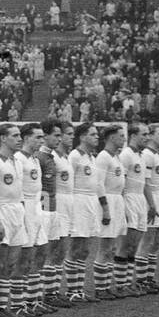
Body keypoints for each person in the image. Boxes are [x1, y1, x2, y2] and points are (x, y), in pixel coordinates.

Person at [0, 123, 28, 317]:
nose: (20, 139)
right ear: (3, 138)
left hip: (17, 212)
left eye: (20, 136)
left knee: (11, 264)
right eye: (15, 136)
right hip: (1, 213)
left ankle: (3, 306)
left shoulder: (17, 161)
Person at [16, 123, 55, 315]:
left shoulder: (34, 160)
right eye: (38, 137)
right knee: (24, 257)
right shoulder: (18, 159)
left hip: (37, 209)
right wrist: (23, 216)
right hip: (25, 210)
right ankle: (18, 303)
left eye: (42, 137)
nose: (42, 140)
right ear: (25, 138)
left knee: (39, 254)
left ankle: (33, 299)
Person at [116, 123, 157, 298]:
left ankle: (128, 283)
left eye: (148, 134)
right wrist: (123, 206)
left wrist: (151, 205)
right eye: (144, 134)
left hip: (140, 200)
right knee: (125, 245)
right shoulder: (126, 155)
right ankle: (120, 285)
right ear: (133, 135)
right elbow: (121, 183)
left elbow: (145, 184)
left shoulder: (140, 156)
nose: (147, 137)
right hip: (129, 199)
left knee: (134, 246)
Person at [64, 122, 103, 304]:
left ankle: (79, 290)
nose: (97, 137)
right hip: (78, 202)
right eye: (93, 134)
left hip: (91, 203)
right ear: (82, 137)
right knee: (76, 247)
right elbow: (68, 184)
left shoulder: (92, 158)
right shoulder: (74, 156)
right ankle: (72, 290)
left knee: (85, 249)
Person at [40, 121, 75, 309]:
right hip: (55, 205)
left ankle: (53, 291)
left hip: (66, 206)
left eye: (65, 134)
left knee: (61, 251)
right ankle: (48, 292)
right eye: (60, 134)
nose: (63, 138)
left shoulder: (65, 157)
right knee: (53, 250)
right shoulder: (50, 156)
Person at [93, 125, 128, 301]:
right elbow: (98, 184)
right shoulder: (103, 157)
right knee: (105, 246)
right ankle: (100, 288)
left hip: (117, 201)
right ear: (111, 138)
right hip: (108, 201)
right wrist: (105, 208)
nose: (124, 138)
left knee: (112, 246)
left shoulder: (117, 157)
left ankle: (106, 286)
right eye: (121, 136)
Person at [137, 123, 159, 293]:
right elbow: (145, 183)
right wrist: (151, 204)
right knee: (147, 240)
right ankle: (140, 281)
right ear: (150, 135)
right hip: (153, 199)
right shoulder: (147, 155)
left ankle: (149, 279)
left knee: (156, 242)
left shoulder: (157, 155)